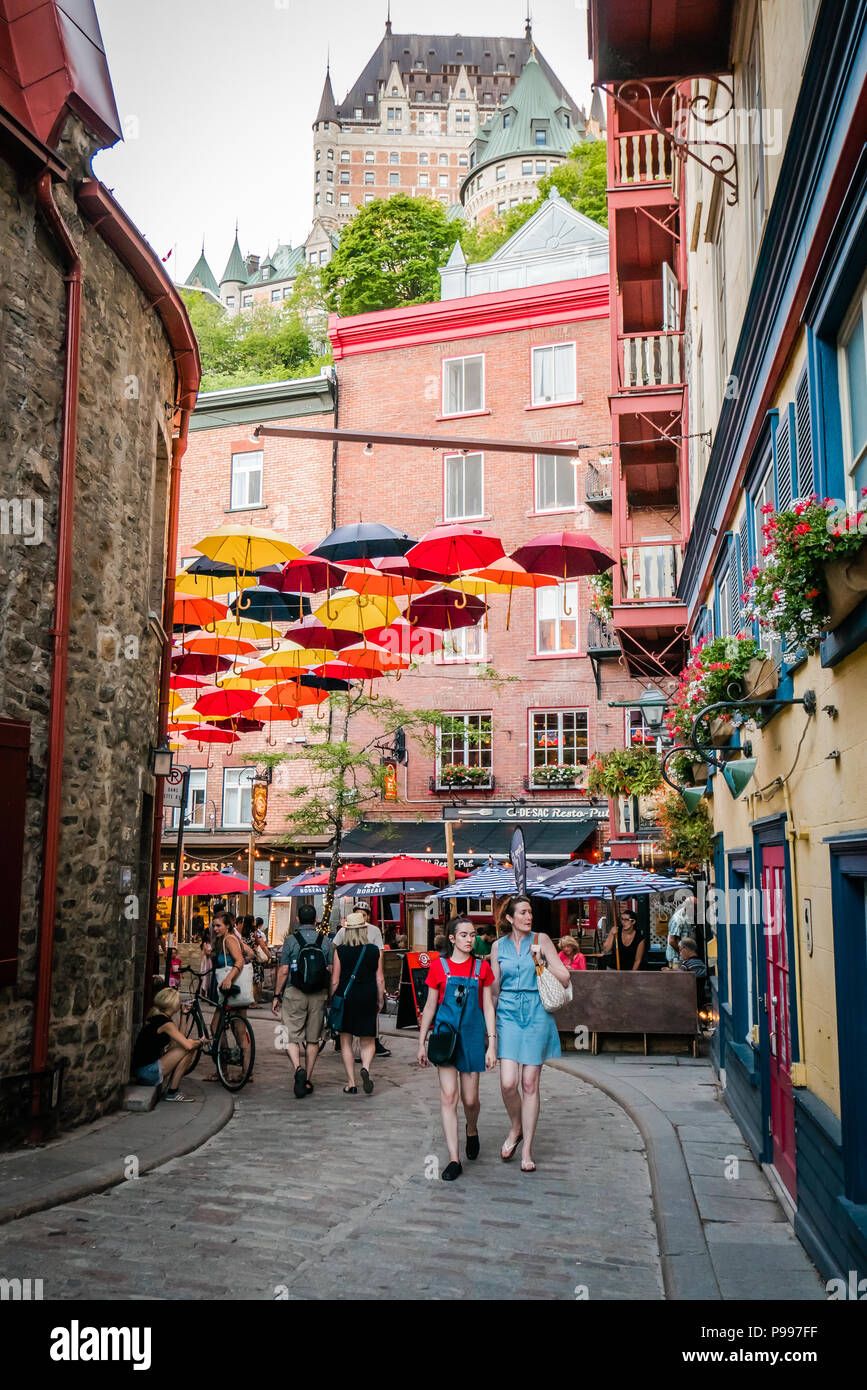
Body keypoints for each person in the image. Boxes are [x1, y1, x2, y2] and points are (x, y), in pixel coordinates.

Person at [490, 895, 570, 1173]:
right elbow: (494, 990)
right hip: (508, 1015)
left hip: (536, 1012)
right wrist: (491, 1036)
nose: (529, 916)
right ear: (510, 918)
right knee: (508, 1083)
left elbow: (565, 976)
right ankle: (516, 1127)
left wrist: (542, 964)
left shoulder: (542, 940)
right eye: (523, 912)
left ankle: (526, 1150)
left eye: (530, 912)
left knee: (529, 1083)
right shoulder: (497, 947)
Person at [418, 916, 497, 1181]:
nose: (469, 939)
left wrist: (492, 1042)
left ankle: (471, 1128)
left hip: (473, 1037)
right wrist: (421, 1041)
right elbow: (430, 1006)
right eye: (463, 935)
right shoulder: (439, 968)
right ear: (452, 938)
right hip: (445, 1037)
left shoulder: (481, 967)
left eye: (472, 934)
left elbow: (487, 1005)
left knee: (470, 1100)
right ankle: (454, 1159)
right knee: (448, 1097)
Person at [271, 903, 333, 1098]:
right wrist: (328, 994)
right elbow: (330, 970)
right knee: (313, 1038)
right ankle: (307, 1080)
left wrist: (276, 994)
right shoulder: (326, 941)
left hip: (294, 991)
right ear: (316, 920)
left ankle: (298, 1068)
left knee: (290, 1035)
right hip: (318, 994)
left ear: (297, 919)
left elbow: (283, 970)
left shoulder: (290, 940)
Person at [330, 911, 385, 1095]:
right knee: (368, 1040)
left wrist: (332, 998)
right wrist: (380, 999)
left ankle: (351, 1083)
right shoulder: (373, 950)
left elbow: (336, 980)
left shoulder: (340, 951)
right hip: (368, 995)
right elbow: (379, 978)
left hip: (347, 998)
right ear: (363, 929)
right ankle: (366, 1069)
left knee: (346, 1040)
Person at [332, 904, 390, 1056]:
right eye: (359, 914)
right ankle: (365, 1060)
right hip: (358, 984)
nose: (362, 917)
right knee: (357, 1022)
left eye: (364, 914)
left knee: (354, 1027)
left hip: (358, 981)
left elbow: (380, 955)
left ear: (368, 916)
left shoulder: (374, 931)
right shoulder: (343, 933)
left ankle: (352, 1074)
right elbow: (334, 946)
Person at [131, 987, 202, 1101]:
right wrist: (201, 1041)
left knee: (187, 1045)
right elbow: (187, 1045)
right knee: (191, 1046)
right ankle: (172, 1092)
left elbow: (177, 1044)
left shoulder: (158, 1018)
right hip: (148, 1073)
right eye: (178, 1000)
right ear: (173, 1004)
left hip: (141, 1072)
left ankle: (172, 1090)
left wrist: (183, 1015)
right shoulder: (166, 1024)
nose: (180, 1002)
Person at [666, 894, 697, 965]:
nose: (698, 909)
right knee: (679, 976)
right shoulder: (678, 919)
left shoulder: (689, 915)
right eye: (696, 907)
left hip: (687, 958)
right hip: (677, 959)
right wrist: (683, 953)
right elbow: (672, 941)